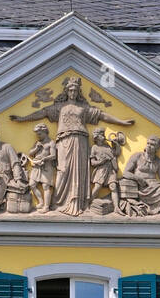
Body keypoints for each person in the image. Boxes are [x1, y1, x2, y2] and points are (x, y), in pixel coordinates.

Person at [9, 75, 135, 216]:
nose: (73, 93)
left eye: (75, 91)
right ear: (66, 91)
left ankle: (79, 202)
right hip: (63, 142)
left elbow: (102, 115)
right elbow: (42, 112)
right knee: (63, 170)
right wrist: (23, 118)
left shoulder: (84, 108)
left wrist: (121, 122)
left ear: (78, 92)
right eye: (70, 90)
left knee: (80, 171)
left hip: (80, 141)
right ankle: (59, 203)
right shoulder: (59, 107)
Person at [88, 128, 126, 214]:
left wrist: (116, 144)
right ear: (97, 137)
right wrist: (101, 161)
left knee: (113, 187)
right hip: (101, 169)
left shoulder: (107, 146)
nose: (104, 136)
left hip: (110, 169)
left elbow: (116, 153)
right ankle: (88, 203)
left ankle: (116, 207)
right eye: (102, 135)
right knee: (97, 187)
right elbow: (92, 162)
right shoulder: (95, 147)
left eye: (103, 134)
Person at [24, 123, 57, 213]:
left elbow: (53, 156)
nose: (38, 136)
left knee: (46, 186)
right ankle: (41, 202)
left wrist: (45, 158)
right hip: (37, 166)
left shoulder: (51, 143)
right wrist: (36, 149)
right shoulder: (38, 143)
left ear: (45, 132)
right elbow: (31, 153)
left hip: (47, 167)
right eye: (37, 134)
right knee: (32, 184)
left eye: (39, 134)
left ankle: (46, 207)